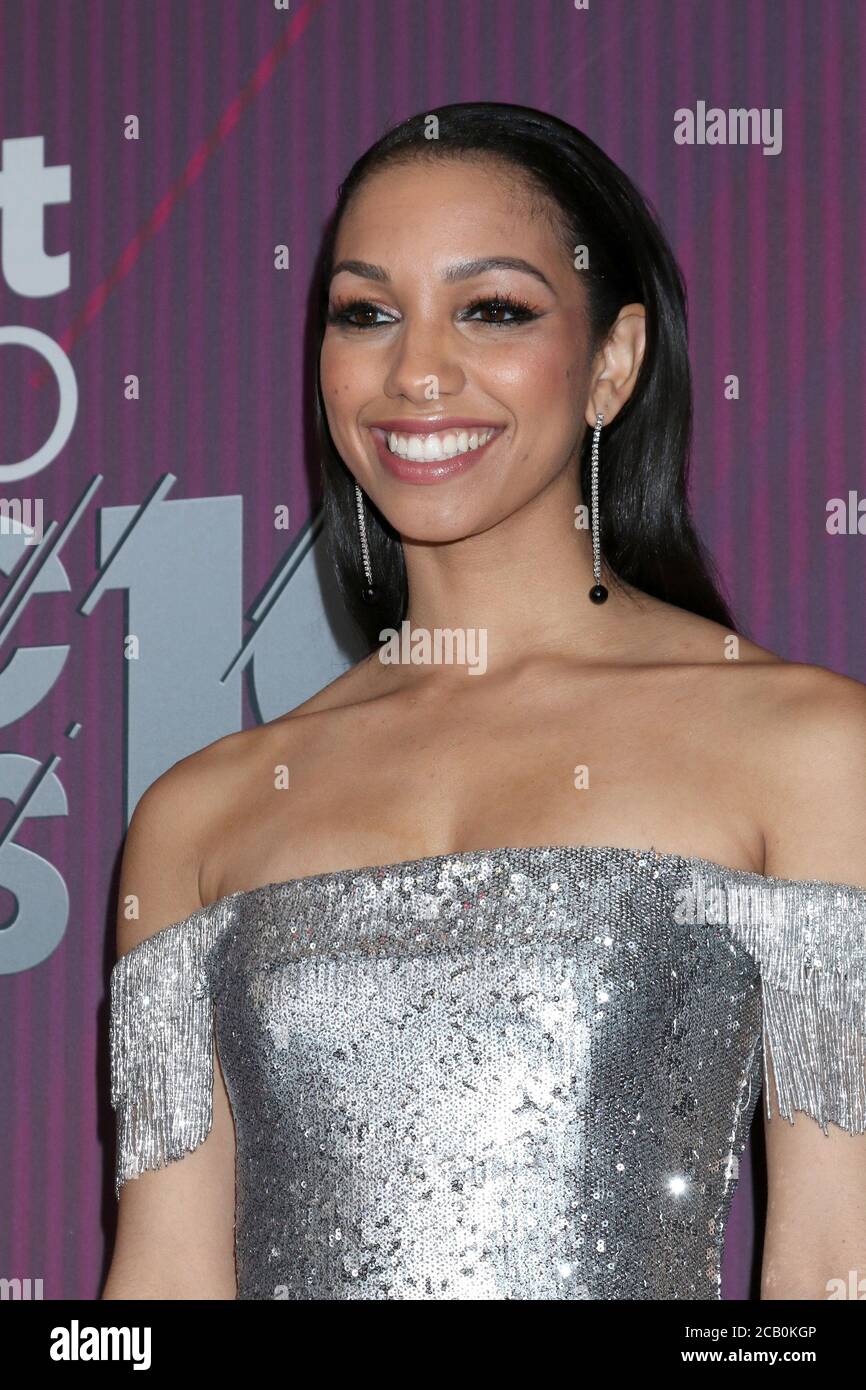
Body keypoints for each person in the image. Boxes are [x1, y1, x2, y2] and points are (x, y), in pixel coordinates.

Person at [101, 103, 866, 1301]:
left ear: (610, 363)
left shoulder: (807, 749)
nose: (414, 372)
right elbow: (154, 1304)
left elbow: (832, 1270)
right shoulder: (197, 817)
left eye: (491, 310)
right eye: (366, 313)